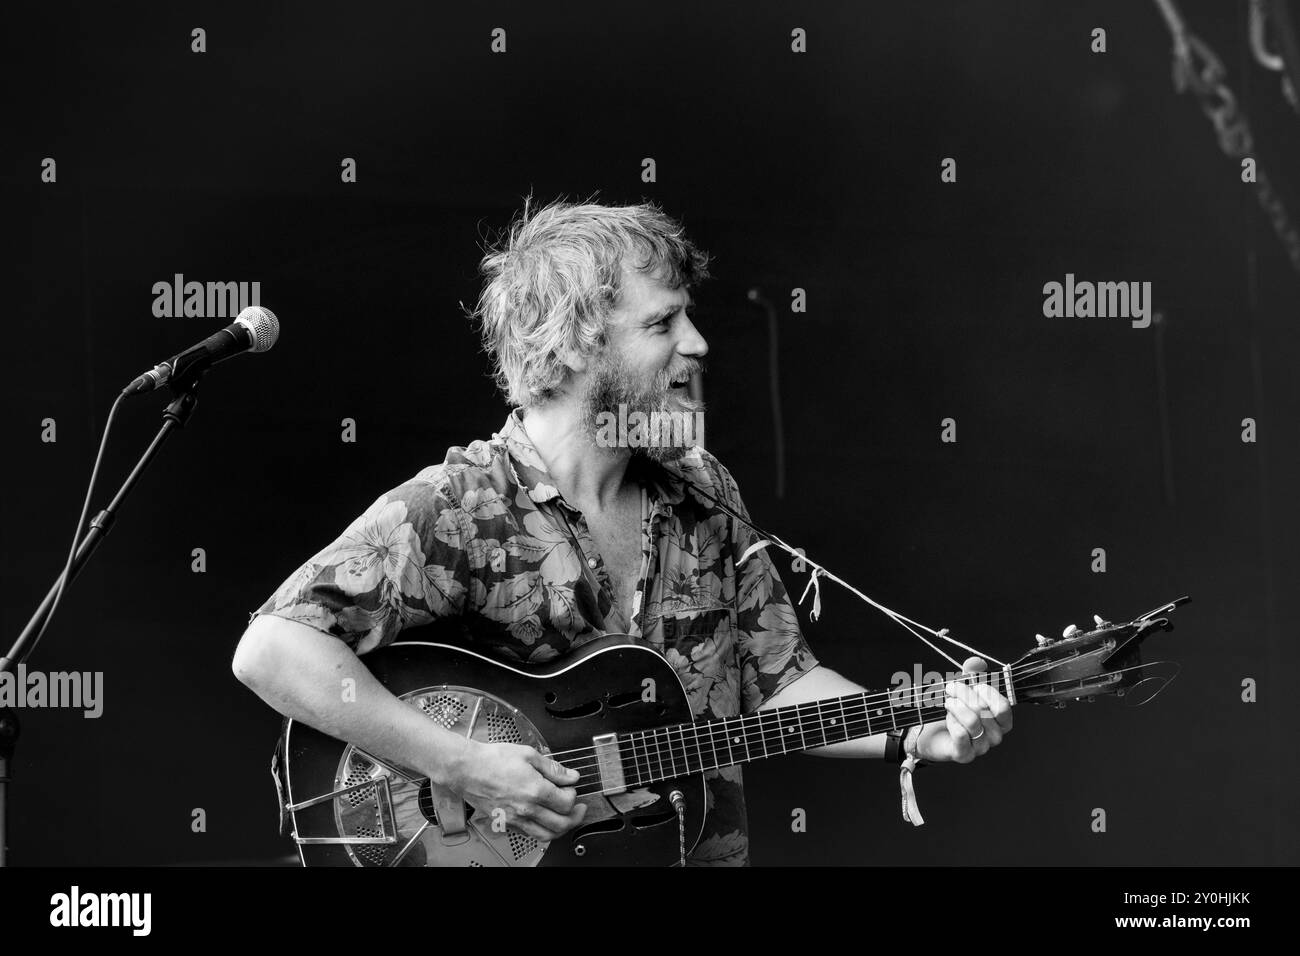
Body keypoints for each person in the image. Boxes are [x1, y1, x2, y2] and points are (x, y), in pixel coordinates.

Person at [231, 197, 1012, 866]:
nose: (698, 345)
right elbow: (272, 651)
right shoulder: (462, 503)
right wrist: (464, 764)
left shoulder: (706, 490)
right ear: (573, 342)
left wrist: (918, 731)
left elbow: (777, 684)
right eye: (664, 323)